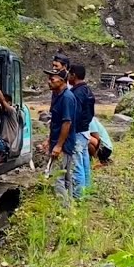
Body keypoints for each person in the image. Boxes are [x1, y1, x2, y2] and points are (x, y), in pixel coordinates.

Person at [45, 68, 79, 203]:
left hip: (64, 145)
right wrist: (49, 140)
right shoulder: (59, 95)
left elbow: (67, 123)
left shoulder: (67, 98)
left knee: (57, 178)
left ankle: (63, 209)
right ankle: (70, 208)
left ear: (61, 80)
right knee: (66, 177)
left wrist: (58, 146)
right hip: (60, 142)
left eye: (52, 79)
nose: (49, 82)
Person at [68, 64, 95, 191]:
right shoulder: (87, 90)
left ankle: (78, 196)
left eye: (69, 74)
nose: (68, 77)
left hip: (77, 132)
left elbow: (75, 114)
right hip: (85, 131)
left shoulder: (77, 93)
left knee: (77, 166)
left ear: (74, 75)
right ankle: (87, 190)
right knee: (85, 164)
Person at [0, 77, 20, 158]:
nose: (0, 104)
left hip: (4, 145)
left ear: (9, 103)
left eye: (4, 103)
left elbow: (2, 100)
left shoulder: (11, 111)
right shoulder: (2, 113)